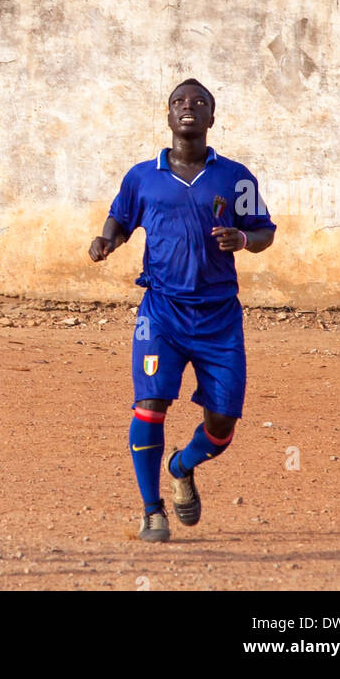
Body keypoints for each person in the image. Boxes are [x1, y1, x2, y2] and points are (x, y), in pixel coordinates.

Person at [89, 79, 275, 543]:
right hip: (162, 313)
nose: (187, 108)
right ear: (168, 117)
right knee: (149, 405)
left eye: (199, 103)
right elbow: (121, 217)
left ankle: (182, 465)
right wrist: (107, 240)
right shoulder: (142, 176)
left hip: (218, 318)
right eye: (178, 103)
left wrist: (245, 240)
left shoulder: (237, 177)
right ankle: (152, 510)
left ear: (212, 118)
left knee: (222, 426)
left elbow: (264, 231)